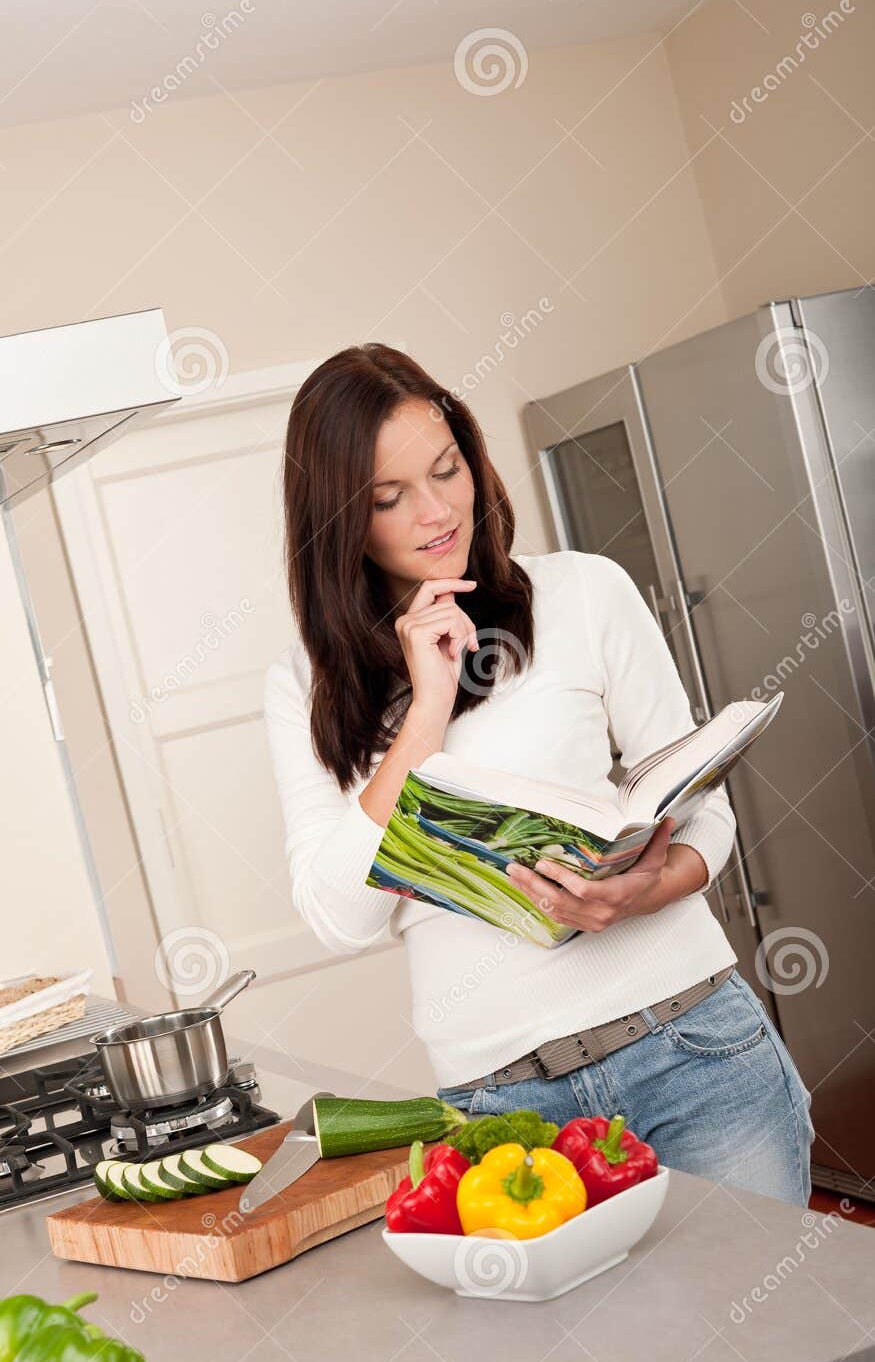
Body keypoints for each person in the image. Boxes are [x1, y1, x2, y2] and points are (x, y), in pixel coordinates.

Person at [263, 343, 814, 1206]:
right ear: (341, 523)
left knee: (786, 1337)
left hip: (692, 1047)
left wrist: (653, 885)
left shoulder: (585, 592)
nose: (439, 510)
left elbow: (700, 806)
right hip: (502, 1106)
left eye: (448, 470)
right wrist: (426, 711)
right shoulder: (305, 684)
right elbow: (342, 915)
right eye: (389, 497)